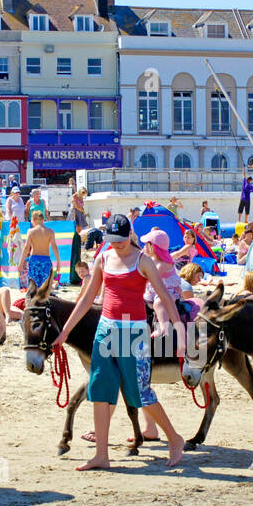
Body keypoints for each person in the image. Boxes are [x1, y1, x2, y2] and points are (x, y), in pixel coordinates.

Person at [50, 214, 184, 470]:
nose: (117, 244)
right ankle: (102, 454)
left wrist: (178, 330)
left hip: (132, 333)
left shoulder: (143, 261)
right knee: (99, 390)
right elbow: (87, 299)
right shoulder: (103, 257)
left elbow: (165, 297)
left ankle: (174, 439)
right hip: (106, 329)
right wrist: (65, 332)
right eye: (113, 240)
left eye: (121, 240)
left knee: (139, 393)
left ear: (129, 235)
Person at [20, 209, 60, 288]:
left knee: (33, 286)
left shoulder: (31, 231)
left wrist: (21, 263)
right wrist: (58, 262)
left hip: (34, 260)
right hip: (46, 260)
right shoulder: (50, 232)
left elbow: (26, 248)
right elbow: (54, 247)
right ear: (42, 219)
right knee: (45, 286)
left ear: (34, 220)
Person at [70, 186, 89, 285]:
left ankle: (78, 235)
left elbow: (81, 206)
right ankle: (77, 234)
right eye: (82, 193)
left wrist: (82, 210)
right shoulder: (75, 196)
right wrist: (81, 210)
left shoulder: (81, 198)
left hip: (80, 212)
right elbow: (75, 205)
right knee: (77, 226)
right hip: (76, 213)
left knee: (80, 227)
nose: (83, 194)